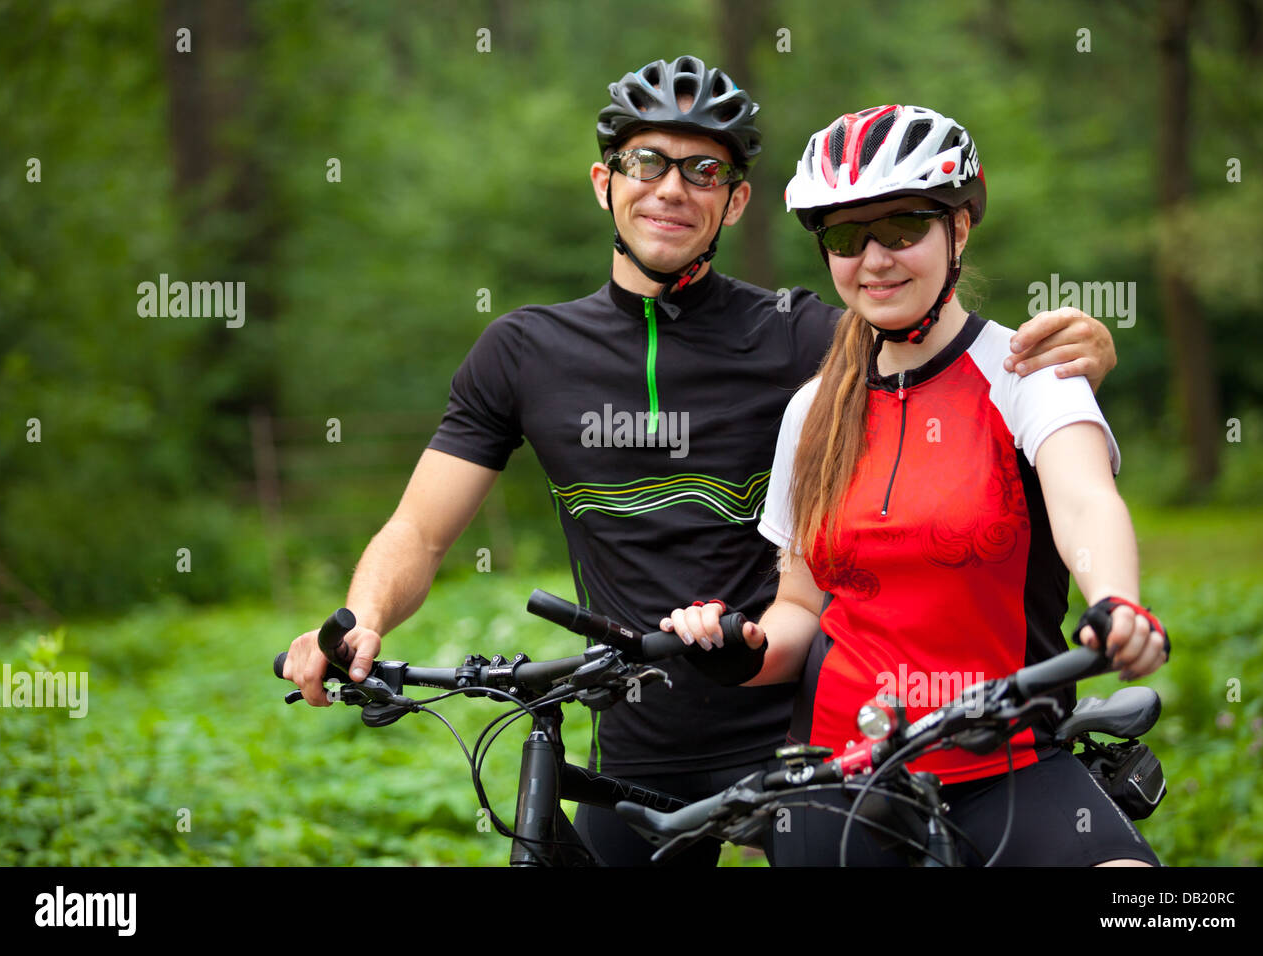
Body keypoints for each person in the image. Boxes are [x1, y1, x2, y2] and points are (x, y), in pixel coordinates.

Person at [279, 63, 1119, 867]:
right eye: (647, 161)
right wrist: (361, 619)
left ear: (736, 198)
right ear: (604, 181)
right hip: (633, 742)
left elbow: (930, 334)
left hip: (794, 731)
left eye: (704, 170)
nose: (672, 187)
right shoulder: (522, 353)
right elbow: (420, 531)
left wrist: (1079, 351)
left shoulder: (801, 335)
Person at [662, 106, 1168, 866]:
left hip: (1010, 760)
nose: (873, 259)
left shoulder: (1028, 372)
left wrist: (1116, 600)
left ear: (959, 231)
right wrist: (742, 651)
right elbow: (801, 607)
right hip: (842, 773)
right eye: (843, 237)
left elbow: (1085, 500)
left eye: (902, 228)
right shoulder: (813, 409)